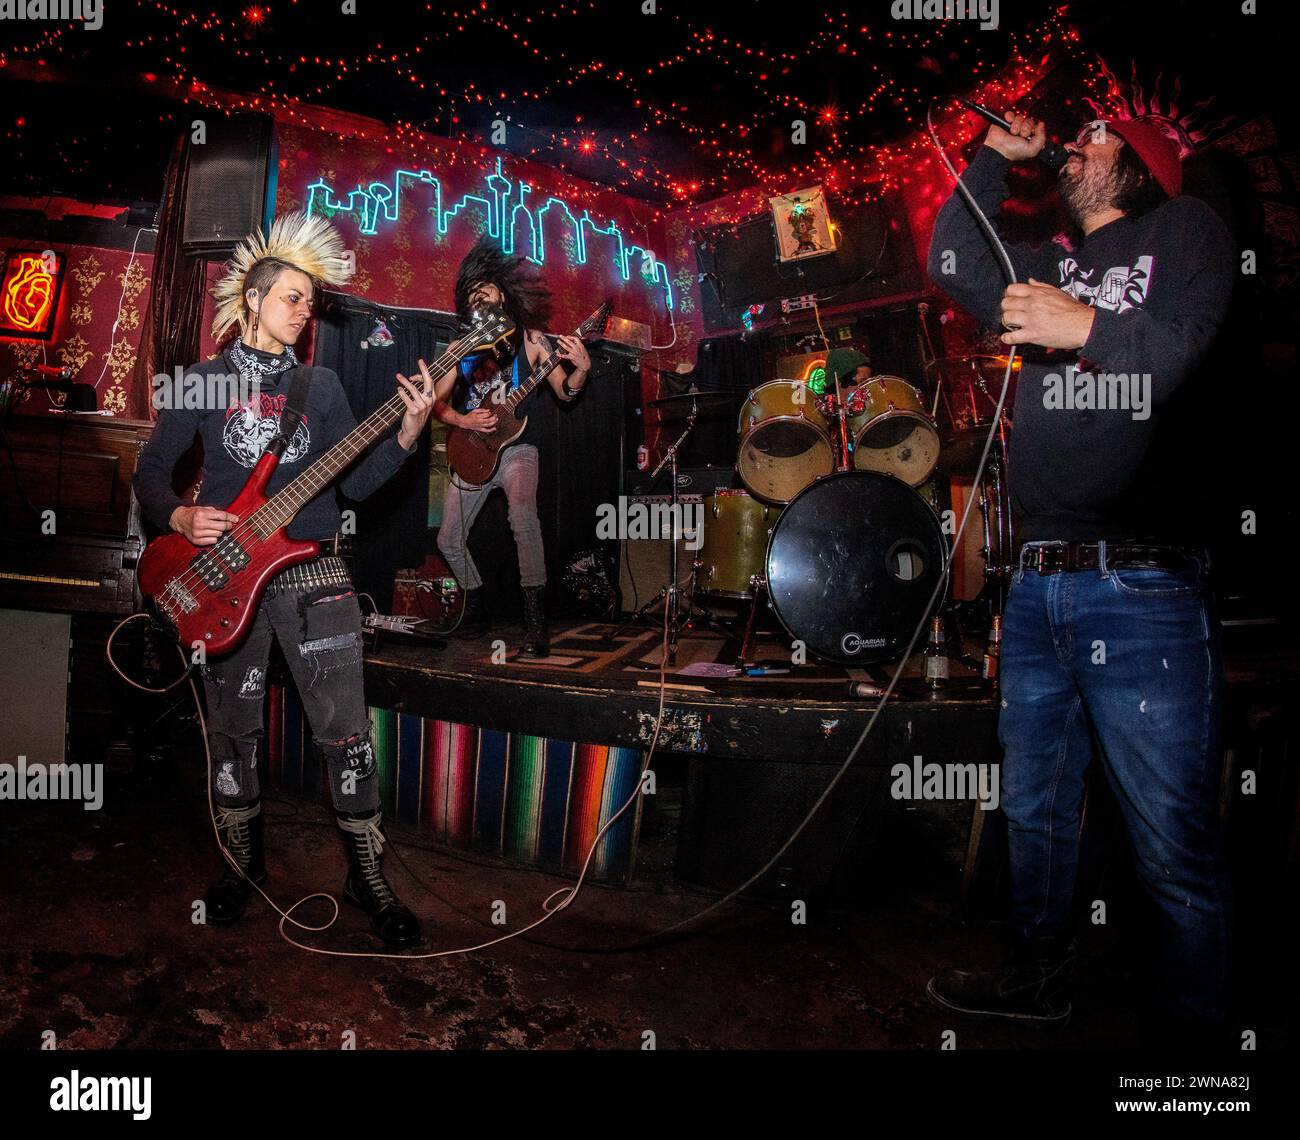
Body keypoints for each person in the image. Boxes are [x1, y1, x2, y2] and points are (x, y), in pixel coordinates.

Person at [924, 112, 1236, 1045]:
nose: (1078, 140)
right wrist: (990, 158)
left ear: (1141, 163)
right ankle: (1037, 978)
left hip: (1141, 586)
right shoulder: (1052, 258)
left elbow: (1180, 351)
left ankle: (1199, 1058)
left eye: (1100, 132)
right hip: (1037, 584)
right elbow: (951, 261)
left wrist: (1087, 323)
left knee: (1170, 842)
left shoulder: (1186, 231)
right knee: (1034, 808)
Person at [134, 212, 439, 946]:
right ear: (252, 300)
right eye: (291, 297)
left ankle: (366, 880)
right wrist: (178, 520)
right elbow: (150, 474)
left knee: (347, 736)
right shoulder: (204, 384)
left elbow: (360, 484)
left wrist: (405, 430)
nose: (306, 312)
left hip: (315, 574)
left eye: (311, 301)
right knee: (233, 735)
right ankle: (243, 867)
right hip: (222, 581)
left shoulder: (323, 385)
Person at [424, 236, 590, 657]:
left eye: (484, 287)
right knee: (448, 538)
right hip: (474, 449)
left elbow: (565, 393)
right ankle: (476, 607)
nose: (478, 294)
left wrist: (581, 371)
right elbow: (435, 403)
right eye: (471, 292)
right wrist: (463, 419)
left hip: (517, 448)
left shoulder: (532, 341)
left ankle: (536, 621)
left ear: (502, 291)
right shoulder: (463, 349)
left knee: (522, 516)